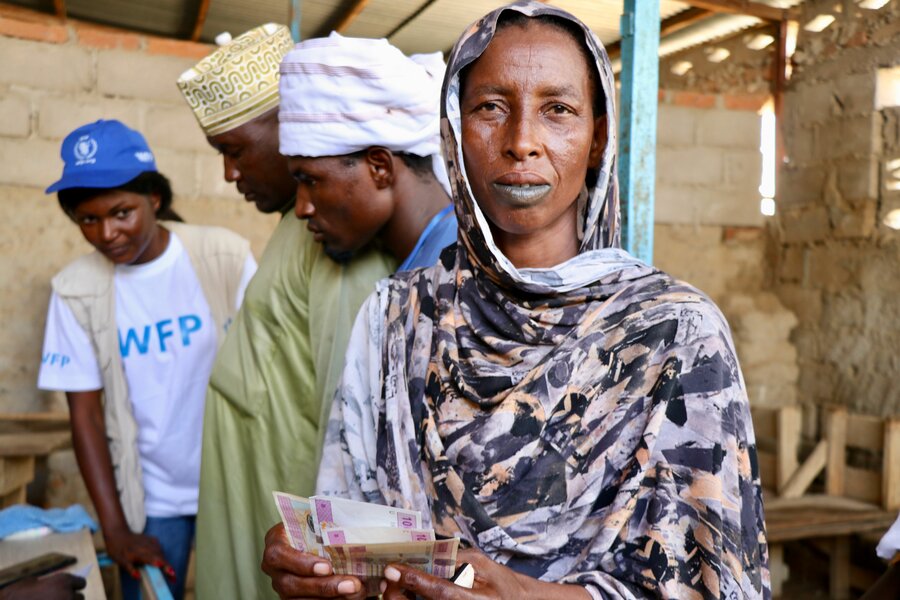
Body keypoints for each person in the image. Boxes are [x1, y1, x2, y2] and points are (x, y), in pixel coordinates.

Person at [261, 3, 771, 599]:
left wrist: (523, 595)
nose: (521, 141)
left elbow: (716, 586)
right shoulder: (396, 318)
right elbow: (357, 537)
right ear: (455, 131)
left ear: (597, 137)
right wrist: (315, 558)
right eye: (490, 108)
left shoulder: (675, 333)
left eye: (558, 110)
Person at [176, 25, 395, 599]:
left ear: (292, 126)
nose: (230, 174)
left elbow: (348, 420)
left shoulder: (334, 234)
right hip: (249, 498)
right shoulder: (295, 227)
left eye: (235, 150)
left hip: (290, 515)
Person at [38, 119, 256, 600]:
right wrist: (115, 528)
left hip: (232, 483)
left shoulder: (223, 256)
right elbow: (85, 416)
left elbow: (268, 373)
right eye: (88, 220)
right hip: (151, 499)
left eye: (122, 213)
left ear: (154, 199)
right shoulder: (75, 291)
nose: (107, 233)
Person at [278, 33, 456, 271]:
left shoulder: (456, 268)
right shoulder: (434, 258)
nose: (302, 209)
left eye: (310, 180)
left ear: (379, 167)